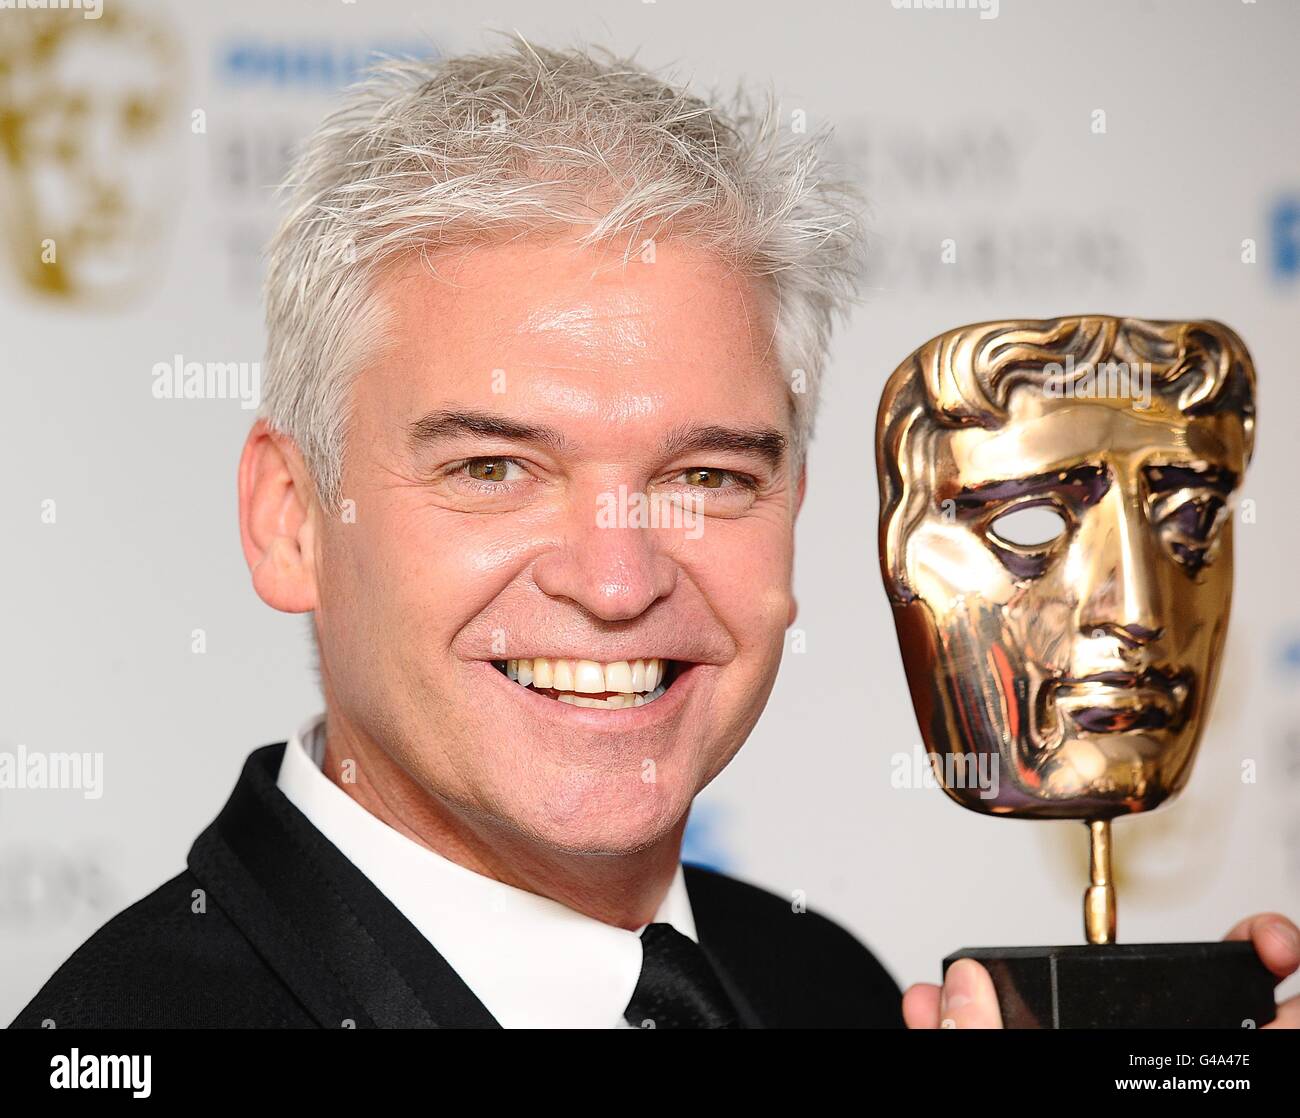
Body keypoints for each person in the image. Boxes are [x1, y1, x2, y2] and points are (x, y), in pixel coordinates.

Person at [11, 39, 1297, 1029]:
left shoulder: (822, 984)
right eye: (495, 467)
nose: (618, 579)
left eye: (706, 474)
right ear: (291, 520)